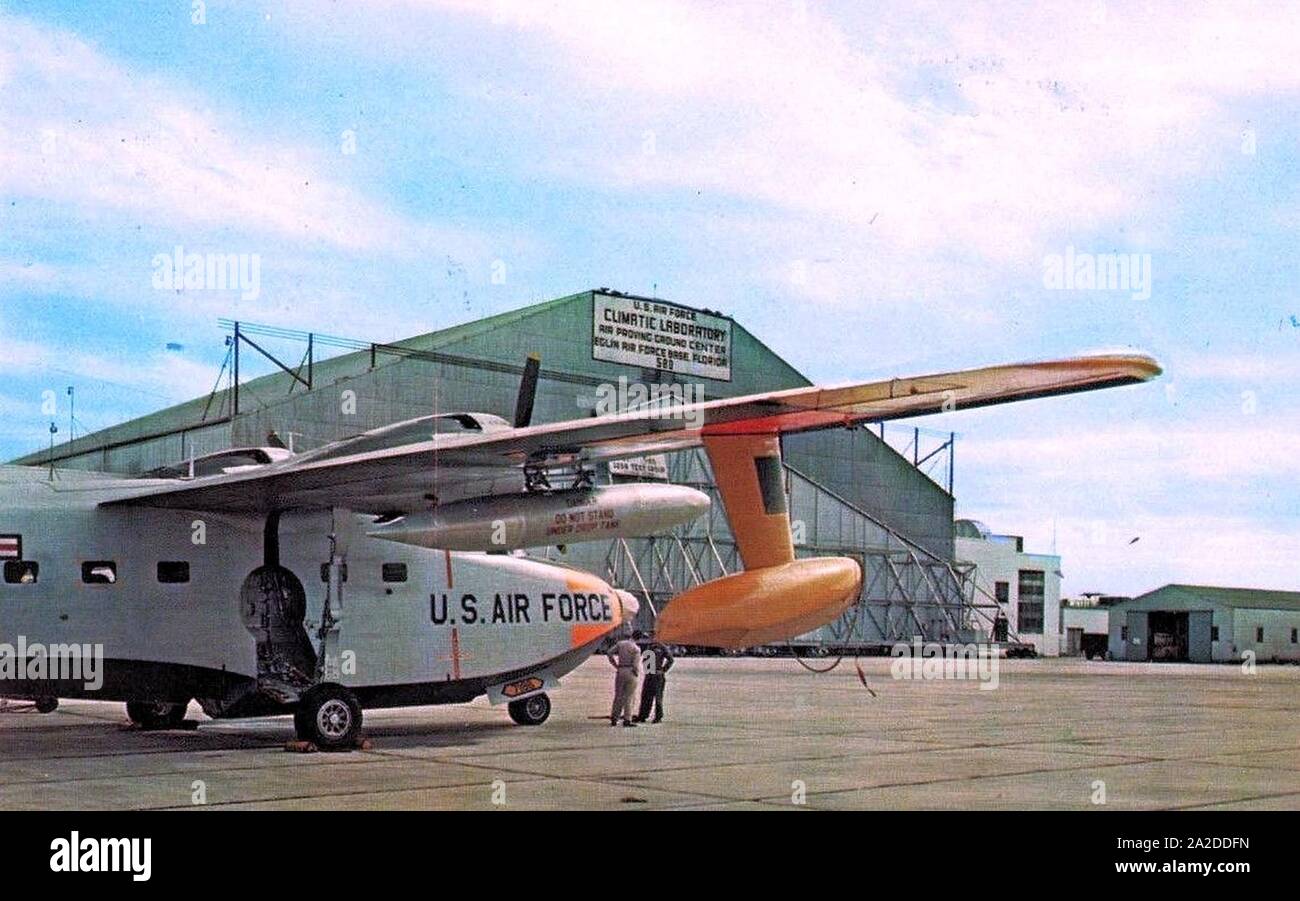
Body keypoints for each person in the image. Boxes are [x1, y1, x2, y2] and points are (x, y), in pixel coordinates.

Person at [634, 634, 674, 723]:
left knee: (658, 697)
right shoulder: (649, 647)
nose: (651, 638)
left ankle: (658, 717)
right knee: (645, 696)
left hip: (657, 675)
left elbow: (671, 660)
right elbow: (644, 660)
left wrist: (663, 670)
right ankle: (643, 715)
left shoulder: (662, 647)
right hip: (649, 675)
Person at [607, 631, 642, 727]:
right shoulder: (636, 649)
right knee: (629, 697)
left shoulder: (621, 644)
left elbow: (609, 652)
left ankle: (614, 718)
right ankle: (627, 719)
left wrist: (615, 664)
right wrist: (636, 673)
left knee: (618, 695)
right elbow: (635, 665)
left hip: (621, 669)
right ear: (639, 638)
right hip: (630, 671)